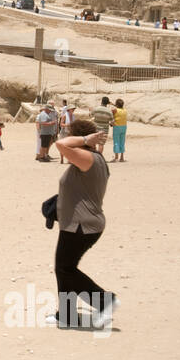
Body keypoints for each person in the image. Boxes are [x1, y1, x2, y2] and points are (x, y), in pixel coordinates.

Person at [48, 120, 115, 328]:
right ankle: (66, 315)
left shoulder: (87, 158)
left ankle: (104, 301)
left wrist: (85, 140)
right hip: (78, 223)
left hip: (81, 225)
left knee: (66, 269)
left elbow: (60, 145)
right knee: (65, 268)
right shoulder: (91, 159)